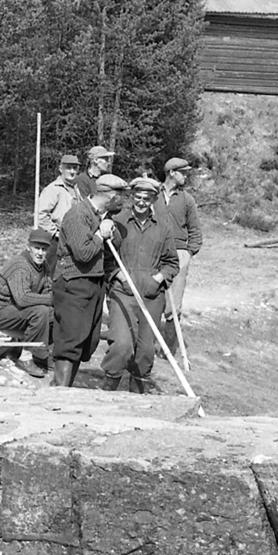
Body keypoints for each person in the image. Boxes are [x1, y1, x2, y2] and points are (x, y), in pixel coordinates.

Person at [101, 176, 179, 393]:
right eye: (138, 197)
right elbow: (106, 257)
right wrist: (118, 275)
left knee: (145, 351)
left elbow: (172, 263)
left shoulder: (163, 228)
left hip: (152, 297)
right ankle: (108, 391)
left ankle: (137, 398)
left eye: (146, 198)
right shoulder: (118, 222)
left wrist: (159, 278)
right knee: (122, 345)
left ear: (153, 200)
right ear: (131, 197)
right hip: (123, 294)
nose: (141, 202)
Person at [51, 174, 124, 388]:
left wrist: (110, 227)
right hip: (73, 283)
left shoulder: (103, 216)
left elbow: (115, 245)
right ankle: (58, 394)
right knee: (70, 341)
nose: (123, 201)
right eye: (120, 196)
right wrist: (101, 235)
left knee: (86, 341)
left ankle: (65, 391)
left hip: (94, 283)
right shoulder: (77, 215)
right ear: (109, 195)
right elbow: (83, 253)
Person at [0, 228, 54, 377]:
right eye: (36, 248)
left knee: (56, 315)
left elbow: (47, 291)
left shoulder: (44, 266)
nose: (40, 253)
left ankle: (39, 354)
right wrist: (51, 300)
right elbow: (22, 298)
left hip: (21, 312)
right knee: (41, 311)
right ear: (28, 247)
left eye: (44, 249)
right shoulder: (20, 265)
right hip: (1, 311)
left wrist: (53, 301)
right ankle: (26, 357)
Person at [154, 156, 203, 352]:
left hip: (179, 253)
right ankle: (146, 345)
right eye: (183, 173)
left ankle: (170, 348)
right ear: (172, 173)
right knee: (151, 295)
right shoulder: (152, 193)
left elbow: (195, 231)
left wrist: (188, 253)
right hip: (154, 251)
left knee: (174, 304)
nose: (186, 176)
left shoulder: (187, 200)